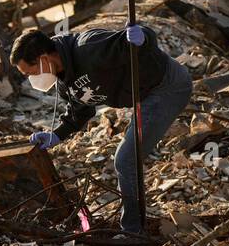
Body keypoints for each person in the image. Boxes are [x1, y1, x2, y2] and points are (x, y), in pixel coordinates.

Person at [11, 23, 192, 234]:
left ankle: (133, 231)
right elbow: (81, 112)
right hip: (144, 96)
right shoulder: (64, 81)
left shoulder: (88, 48)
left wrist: (143, 37)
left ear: (44, 58)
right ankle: (135, 224)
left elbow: (141, 41)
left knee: (126, 160)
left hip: (167, 86)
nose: (31, 79)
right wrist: (56, 135)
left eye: (30, 72)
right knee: (127, 159)